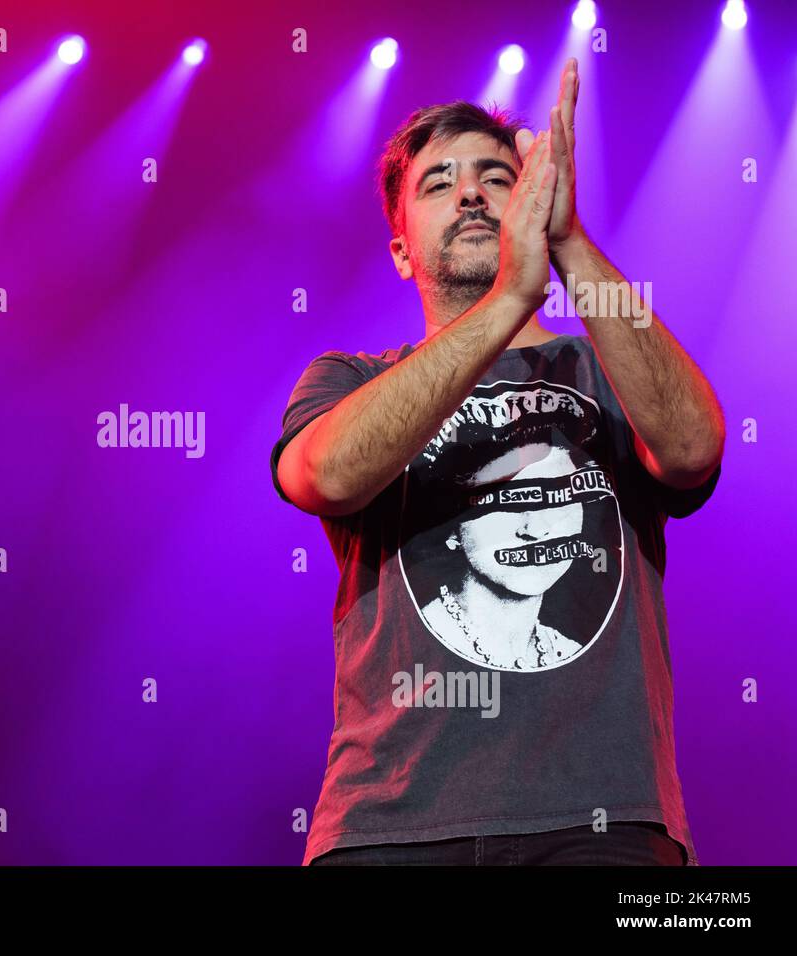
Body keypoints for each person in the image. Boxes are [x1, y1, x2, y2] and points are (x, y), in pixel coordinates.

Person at [271, 60, 723, 865]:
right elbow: (330, 475)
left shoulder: (604, 369)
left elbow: (692, 452)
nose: (472, 193)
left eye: (497, 176)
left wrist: (568, 244)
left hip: (602, 822)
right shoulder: (350, 379)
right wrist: (509, 298)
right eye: (439, 182)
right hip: (387, 826)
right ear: (403, 250)